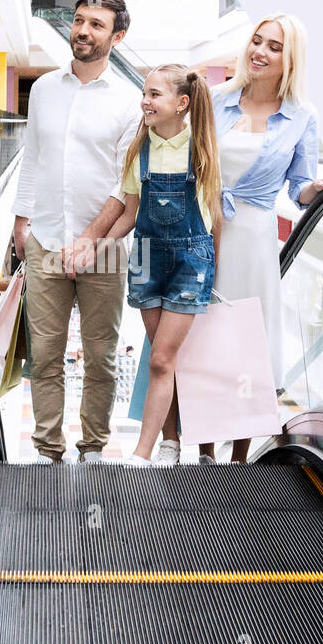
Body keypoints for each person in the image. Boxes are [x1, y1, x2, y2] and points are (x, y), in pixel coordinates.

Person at [13, 0, 141, 463]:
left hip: (103, 249)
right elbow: (33, 157)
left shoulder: (129, 101)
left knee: (101, 356)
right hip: (46, 239)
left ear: (117, 37)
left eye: (96, 25)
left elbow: (125, 184)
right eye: (80, 20)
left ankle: (93, 449)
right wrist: (21, 220)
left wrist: (92, 239)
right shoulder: (44, 89)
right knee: (44, 355)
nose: (83, 31)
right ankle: (48, 450)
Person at [198, 14, 323, 464]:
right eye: (257, 41)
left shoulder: (303, 116)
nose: (260, 52)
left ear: (290, 59)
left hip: (254, 239)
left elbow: (300, 188)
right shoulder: (216, 99)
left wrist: (316, 190)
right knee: (204, 336)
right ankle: (203, 454)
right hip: (205, 228)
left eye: (274, 47)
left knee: (246, 344)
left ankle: (238, 459)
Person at [103, 64, 222, 465]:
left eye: (154, 94)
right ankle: (170, 441)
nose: (145, 101)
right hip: (146, 258)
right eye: (145, 93)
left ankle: (143, 452)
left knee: (160, 359)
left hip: (191, 261)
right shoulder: (139, 151)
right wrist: (99, 245)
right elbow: (130, 214)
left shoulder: (201, 150)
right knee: (162, 359)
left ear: (182, 103)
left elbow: (214, 217)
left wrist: (214, 270)